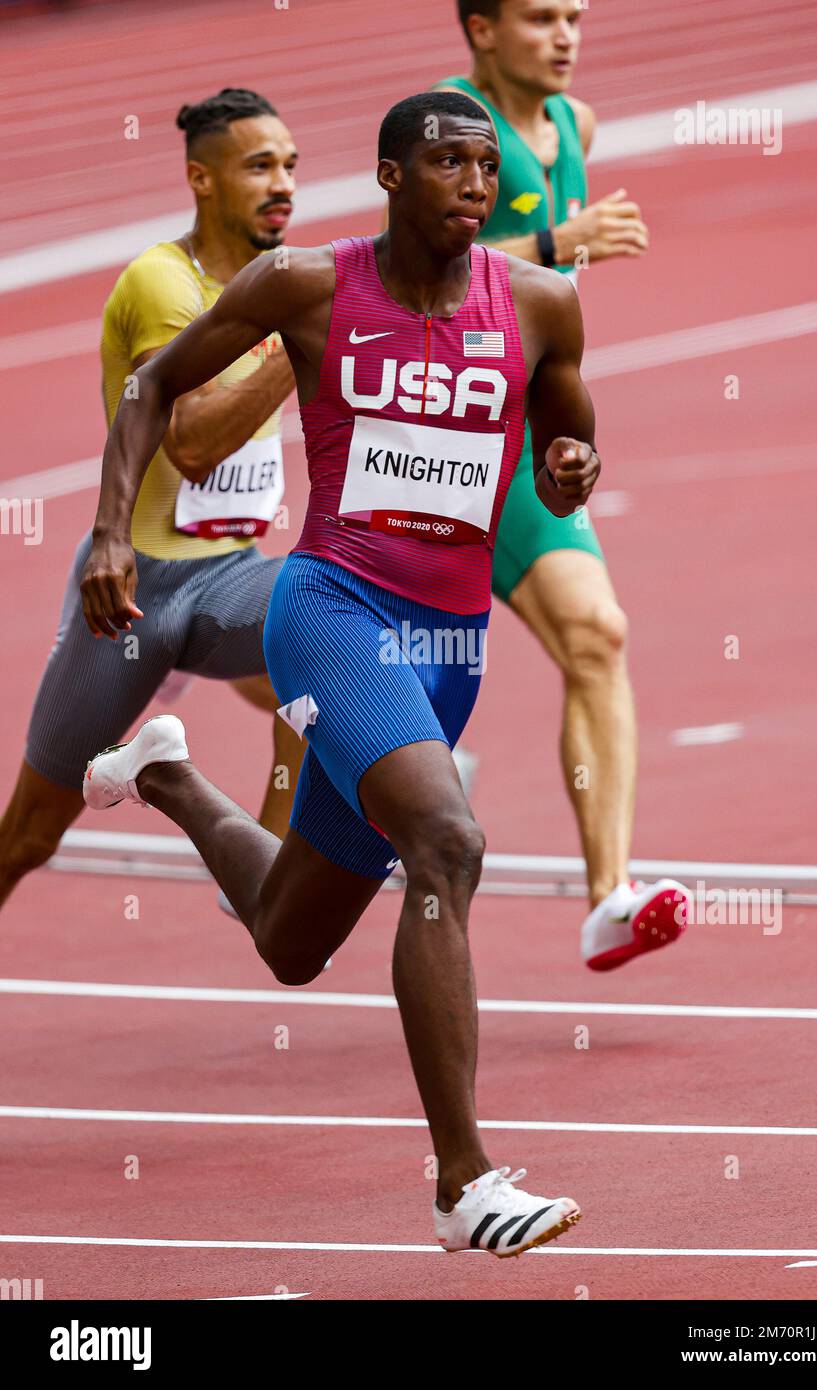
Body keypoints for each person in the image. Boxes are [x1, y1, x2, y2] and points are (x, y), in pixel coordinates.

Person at [81, 91, 600, 1255]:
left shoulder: (541, 305)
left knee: (289, 939)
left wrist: (569, 466)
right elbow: (149, 386)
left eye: (484, 167)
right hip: (331, 604)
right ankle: (462, 1183)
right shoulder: (305, 285)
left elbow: (567, 463)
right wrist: (113, 529)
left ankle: (165, 775)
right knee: (446, 842)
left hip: (447, 641)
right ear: (386, 176)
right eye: (446, 165)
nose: (474, 185)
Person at [0, 88, 304, 912]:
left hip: (228, 579)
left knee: (334, 644)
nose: (281, 183)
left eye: (288, 165)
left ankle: (263, 880)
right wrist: (295, 346)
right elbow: (195, 444)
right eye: (257, 167)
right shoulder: (165, 283)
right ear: (201, 179)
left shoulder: (286, 280)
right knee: (28, 835)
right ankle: (148, 768)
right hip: (137, 598)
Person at [438, 0, 690, 967]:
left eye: (575, 15)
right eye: (540, 17)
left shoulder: (575, 127)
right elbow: (414, 271)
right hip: (437, 442)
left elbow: (552, 282)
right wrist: (559, 241)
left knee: (598, 633)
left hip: (527, 441)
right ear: (481, 28)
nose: (566, 34)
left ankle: (610, 898)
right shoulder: (446, 126)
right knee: (366, 668)